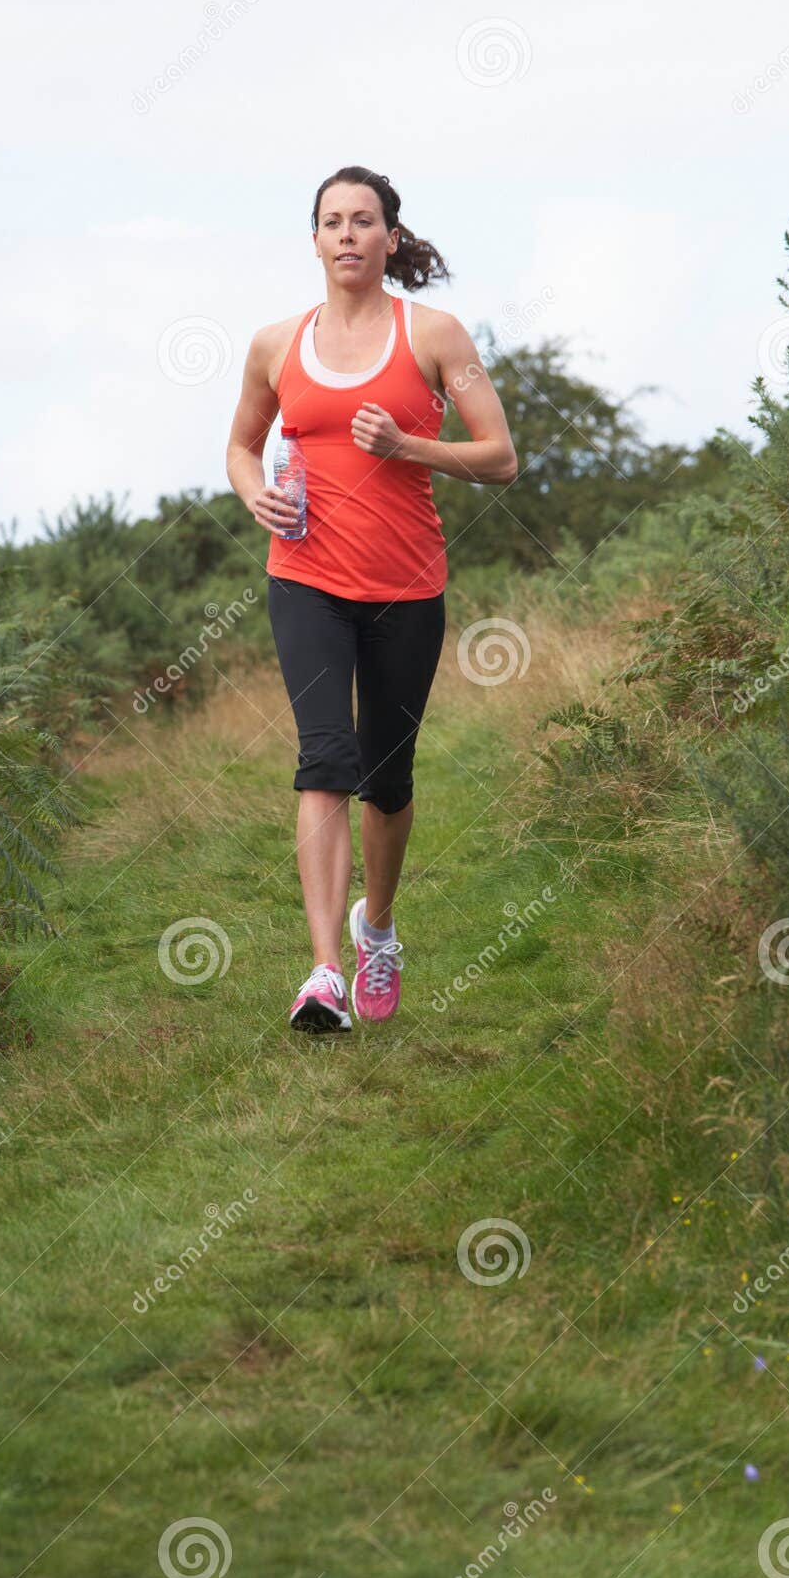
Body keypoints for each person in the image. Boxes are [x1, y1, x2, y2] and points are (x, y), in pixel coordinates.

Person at [226, 165, 517, 1033]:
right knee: (324, 762)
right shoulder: (275, 344)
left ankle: (375, 930)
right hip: (304, 577)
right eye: (331, 221)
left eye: (363, 221)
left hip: (404, 586)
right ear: (313, 241)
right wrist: (253, 494)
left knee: (387, 780)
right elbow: (241, 447)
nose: (347, 234)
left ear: (391, 238)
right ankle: (321, 974)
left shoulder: (434, 336)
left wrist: (406, 444)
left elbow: (499, 456)